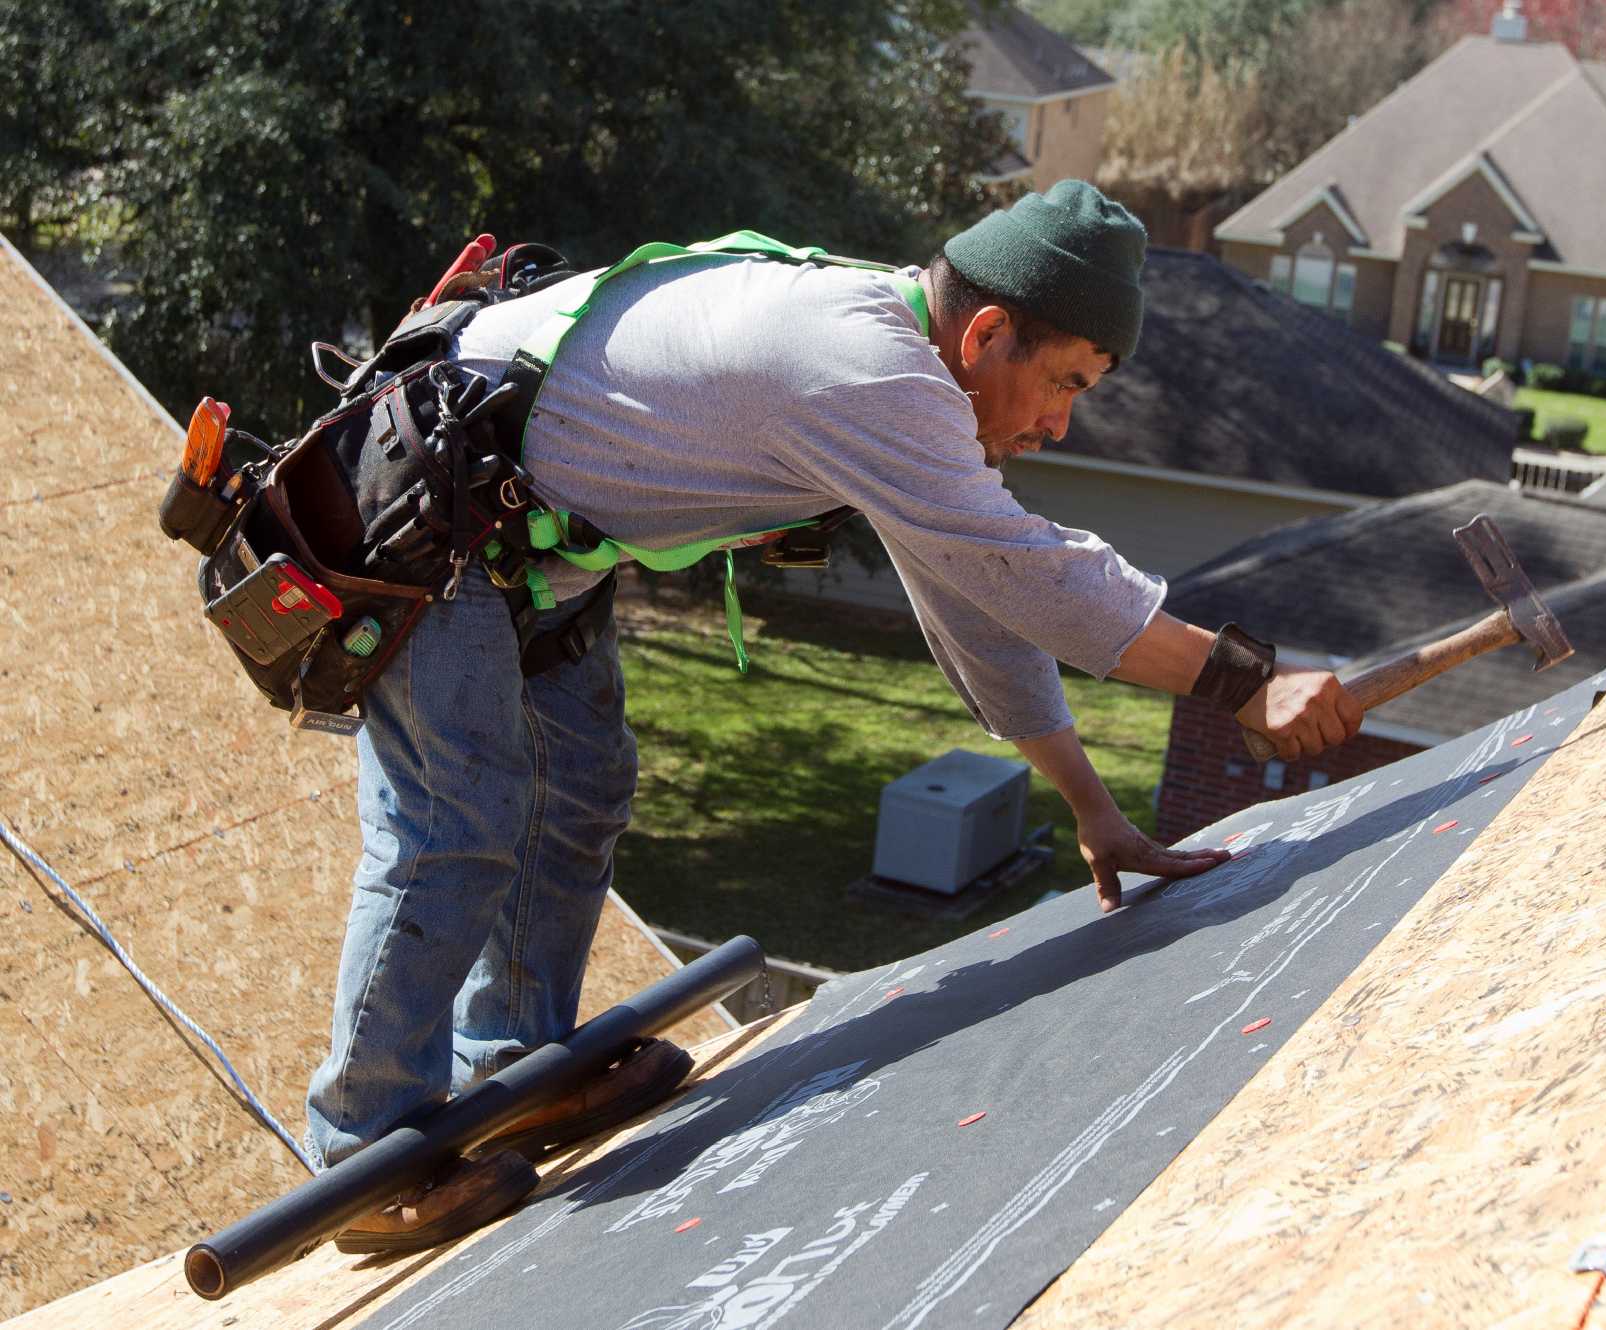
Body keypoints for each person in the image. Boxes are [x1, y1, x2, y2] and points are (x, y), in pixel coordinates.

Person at [308, 180, 1363, 1250]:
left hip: (522, 543)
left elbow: (983, 606)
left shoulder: (895, 368)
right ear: (987, 330)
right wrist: (1240, 680)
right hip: (420, 520)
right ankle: (363, 1148)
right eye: (1062, 383)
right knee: (458, 823)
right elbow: (1029, 573)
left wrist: (1091, 808)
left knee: (580, 790)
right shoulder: (865, 370)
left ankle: (518, 1062)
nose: (1057, 421)